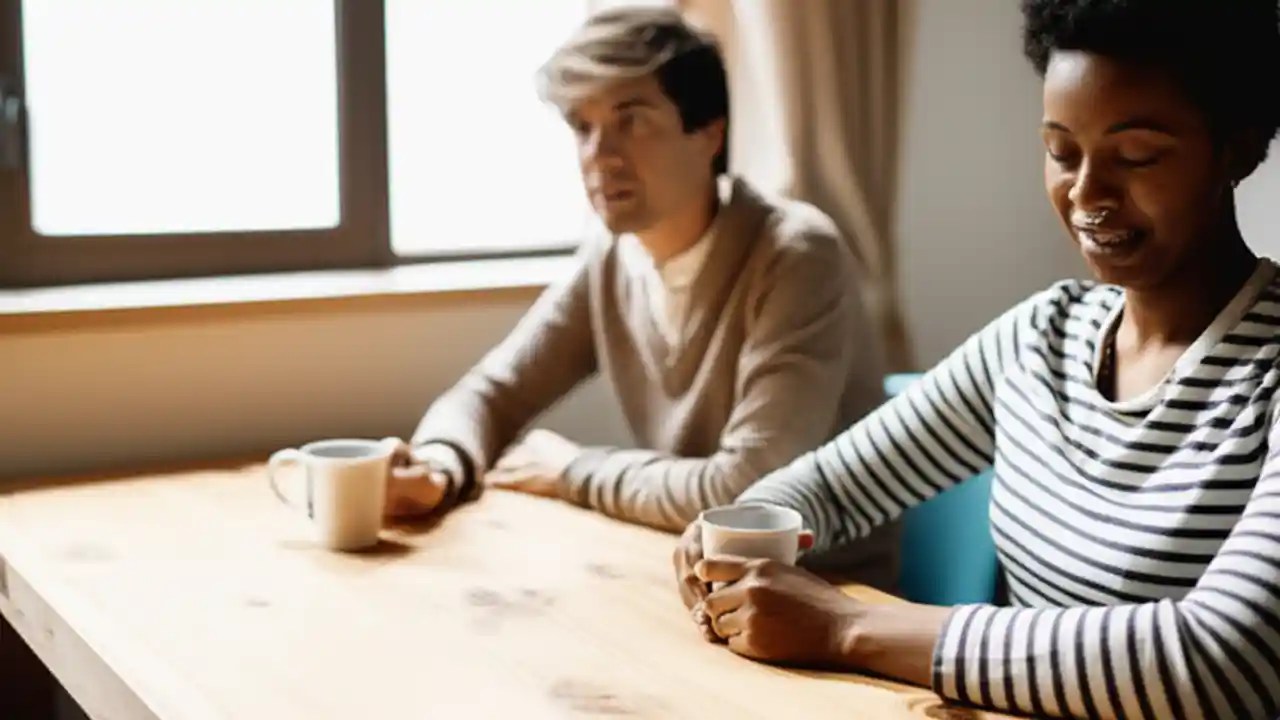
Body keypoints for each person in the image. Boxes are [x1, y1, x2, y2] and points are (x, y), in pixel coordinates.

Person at [673, 1, 1280, 718]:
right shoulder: (1040, 339)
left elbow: (1227, 657)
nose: (1087, 194)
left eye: (1137, 157)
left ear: (1237, 149)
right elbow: (829, 491)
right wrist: (737, 531)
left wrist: (846, 626)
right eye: (1061, 151)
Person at [385, 8, 896, 583]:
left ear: (709, 132)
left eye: (631, 120)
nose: (600, 155)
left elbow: (747, 491)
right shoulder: (611, 256)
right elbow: (492, 393)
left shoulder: (796, 254)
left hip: (823, 597)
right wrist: (439, 465)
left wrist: (575, 470)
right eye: (582, 125)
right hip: (691, 574)